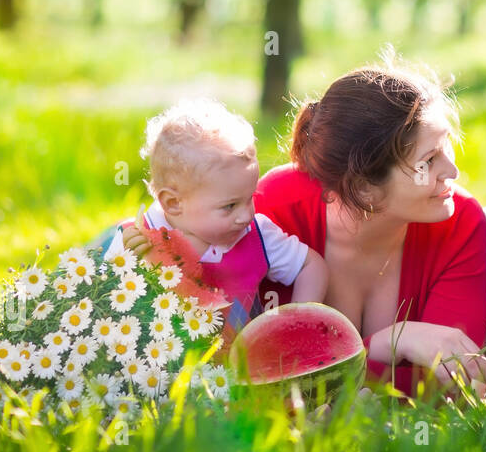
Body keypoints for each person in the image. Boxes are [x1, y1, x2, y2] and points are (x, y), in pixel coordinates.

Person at [254, 54, 486, 394]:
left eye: (447, 145)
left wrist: (340, 374)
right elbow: (266, 375)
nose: (452, 172)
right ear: (364, 187)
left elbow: (451, 383)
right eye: (429, 161)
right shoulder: (273, 210)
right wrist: (389, 343)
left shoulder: (460, 222)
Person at [118, 98, 328, 338]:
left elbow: (311, 267)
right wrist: (126, 264)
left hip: (246, 366)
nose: (246, 215)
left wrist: (296, 324)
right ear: (173, 203)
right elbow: (105, 298)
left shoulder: (258, 234)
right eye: (230, 206)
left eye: (250, 198)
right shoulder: (140, 237)